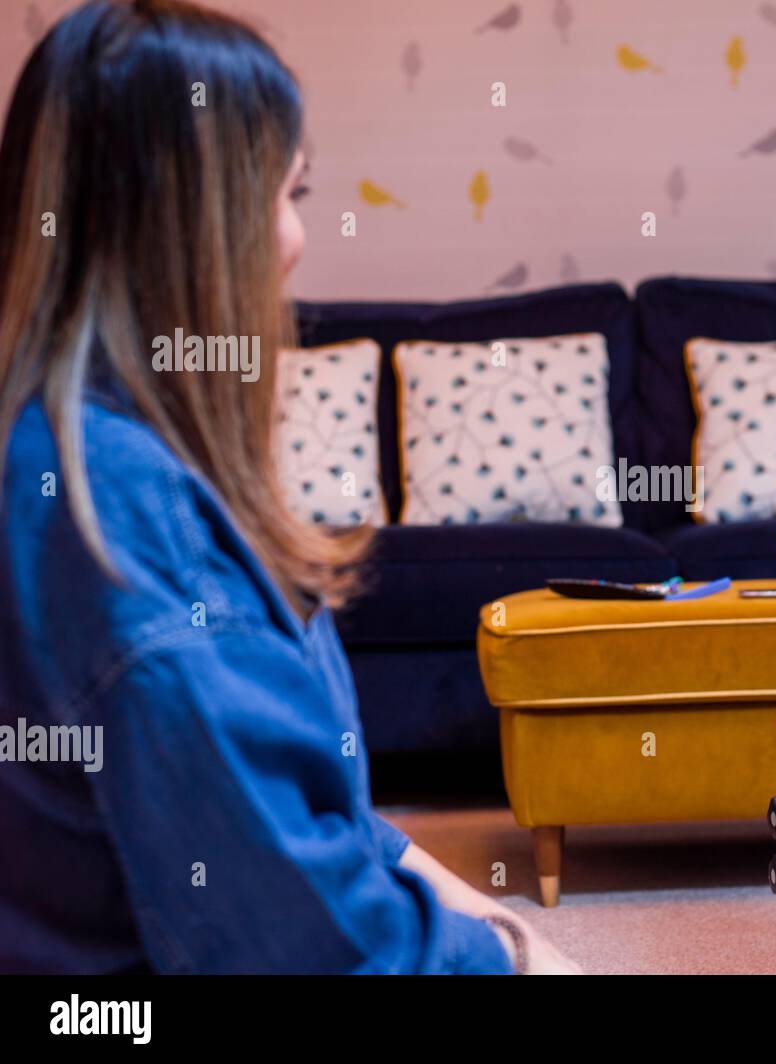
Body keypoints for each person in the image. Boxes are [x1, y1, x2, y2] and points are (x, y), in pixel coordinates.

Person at [0, 0, 578, 975]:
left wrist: (489, 915)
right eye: (285, 191)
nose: (296, 238)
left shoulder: (64, 453)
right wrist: (515, 958)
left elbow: (287, 814)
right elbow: (322, 945)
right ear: (194, 220)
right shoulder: (121, 519)